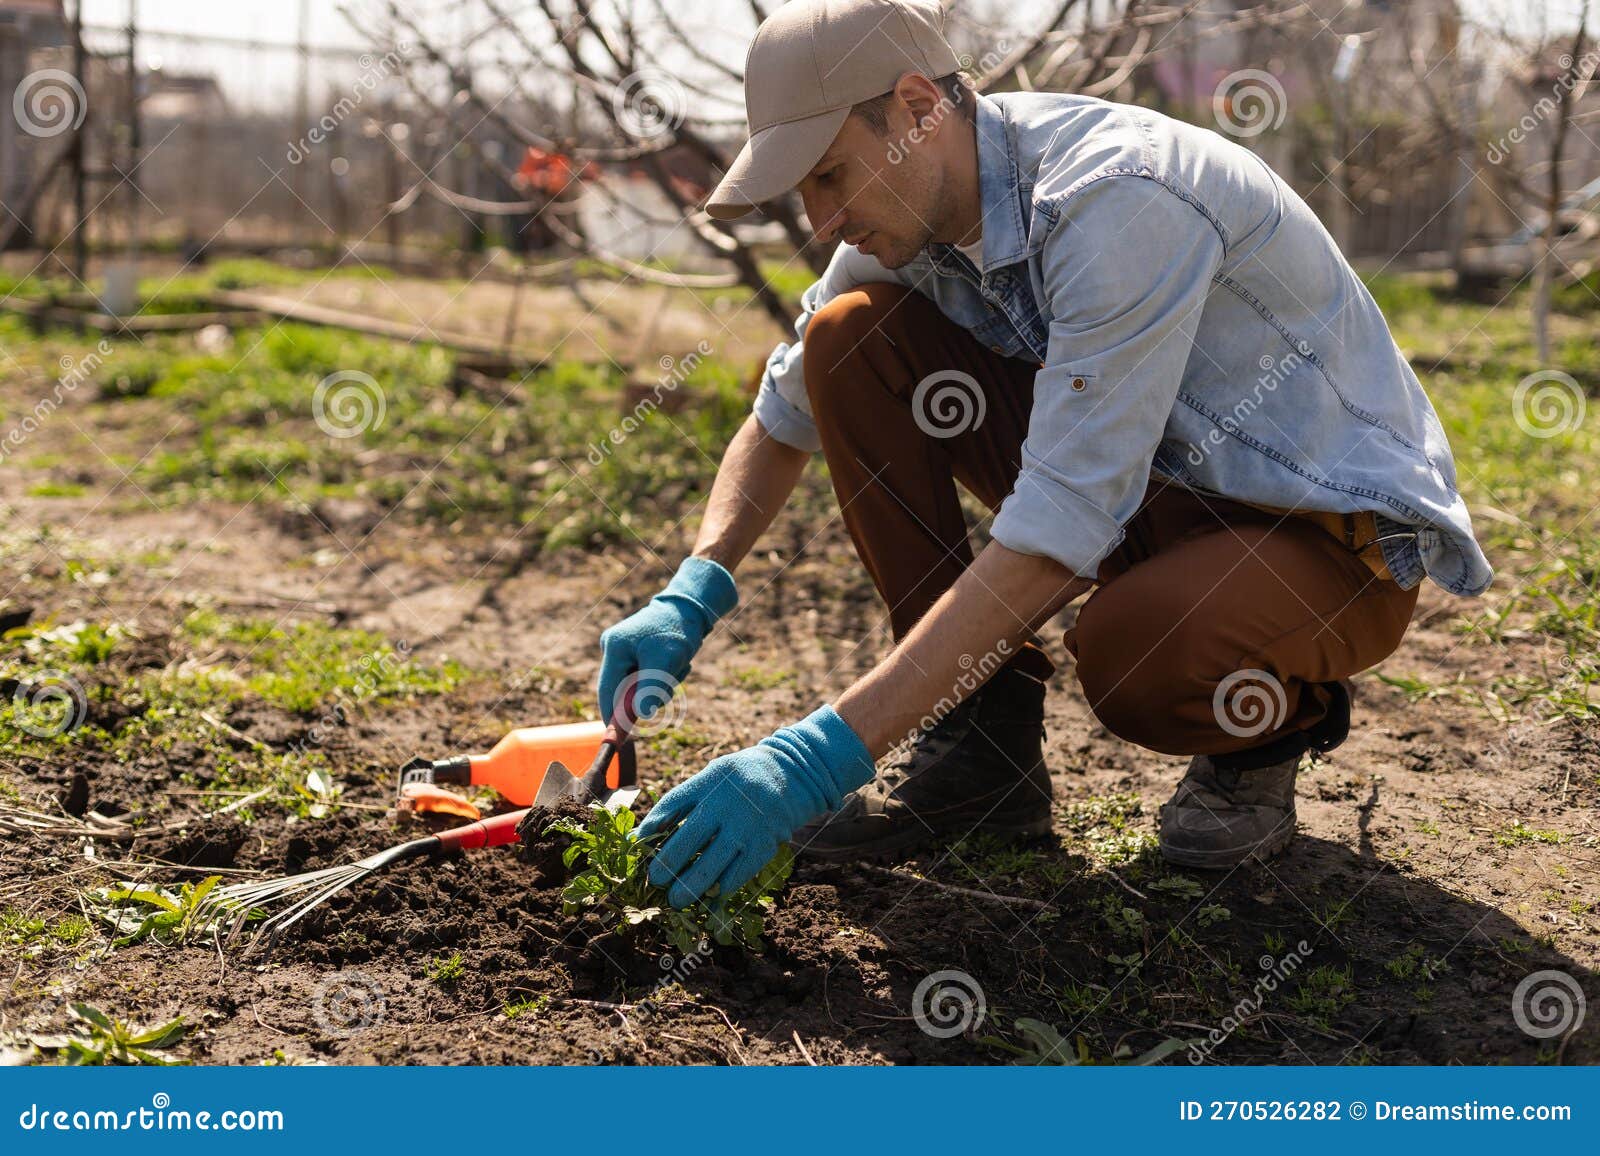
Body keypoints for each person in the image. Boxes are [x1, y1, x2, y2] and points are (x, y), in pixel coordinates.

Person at [597, 0, 1490, 908]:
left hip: (1315, 538)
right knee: (848, 341)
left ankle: (1261, 736)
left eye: (830, 176)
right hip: (1157, 495)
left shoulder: (1118, 199)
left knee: (1137, 654)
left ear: (916, 109)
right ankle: (978, 758)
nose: (822, 220)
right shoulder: (918, 216)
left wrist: (814, 757)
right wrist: (692, 589)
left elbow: (1061, 521)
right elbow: (782, 412)